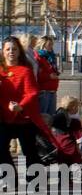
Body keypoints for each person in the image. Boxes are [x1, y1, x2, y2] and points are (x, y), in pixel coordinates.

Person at [1, 36, 48, 185]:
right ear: (3, 52)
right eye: (8, 49)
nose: (11, 52)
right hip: (4, 117)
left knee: (30, 151)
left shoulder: (25, 71)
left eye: (14, 49)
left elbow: (32, 92)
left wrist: (20, 105)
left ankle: (35, 179)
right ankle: (9, 178)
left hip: (24, 117)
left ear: (19, 52)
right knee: (0, 149)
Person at [35, 37, 60, 119]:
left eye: (52, 44)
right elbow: (37, 74)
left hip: (53, 88)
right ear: (43, 45)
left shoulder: (52, 57)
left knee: (51, 116)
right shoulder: (39, 57)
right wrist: (49, 76)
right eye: (49, 44)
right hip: (44, 89)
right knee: (44, 116)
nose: (51, 46)